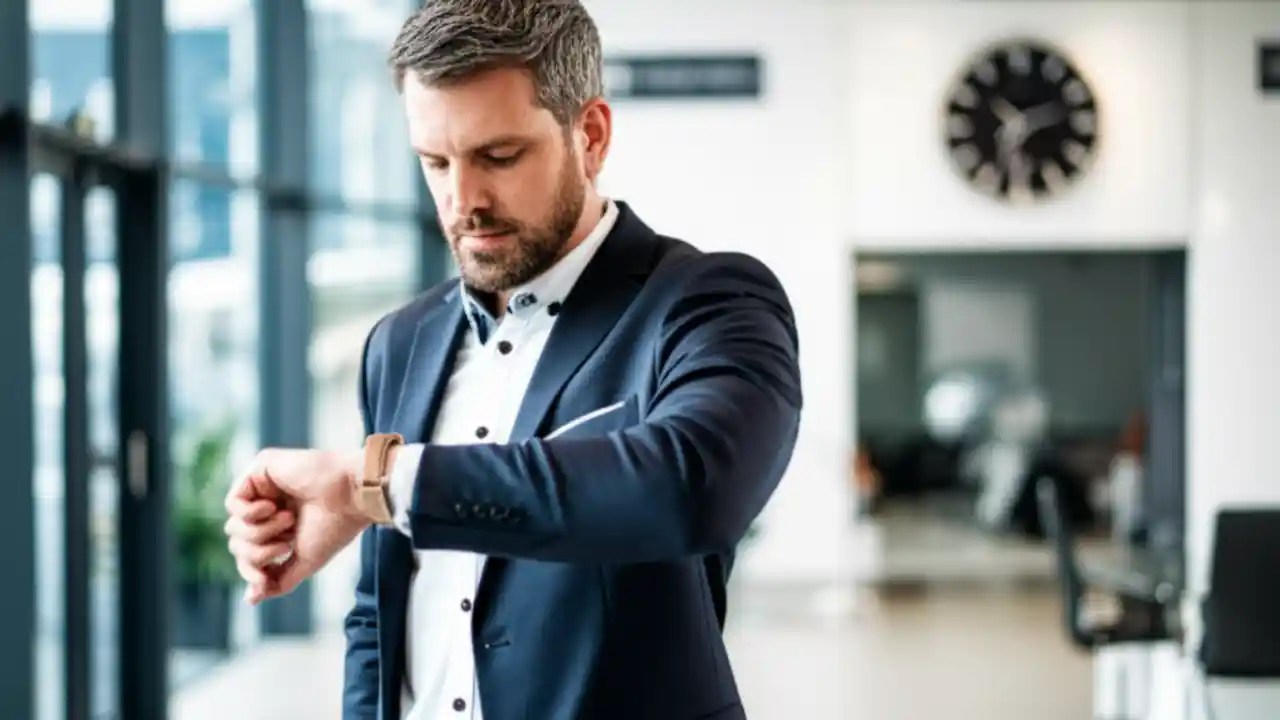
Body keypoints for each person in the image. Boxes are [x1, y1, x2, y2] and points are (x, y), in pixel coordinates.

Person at [222, 2, 802, 719]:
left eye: (499, 157)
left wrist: (373, 480)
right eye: (435, 162)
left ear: (589, 135)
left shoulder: (706, 303)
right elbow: (380, 613)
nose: (462, 200)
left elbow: (688, 487)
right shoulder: (399, 343)